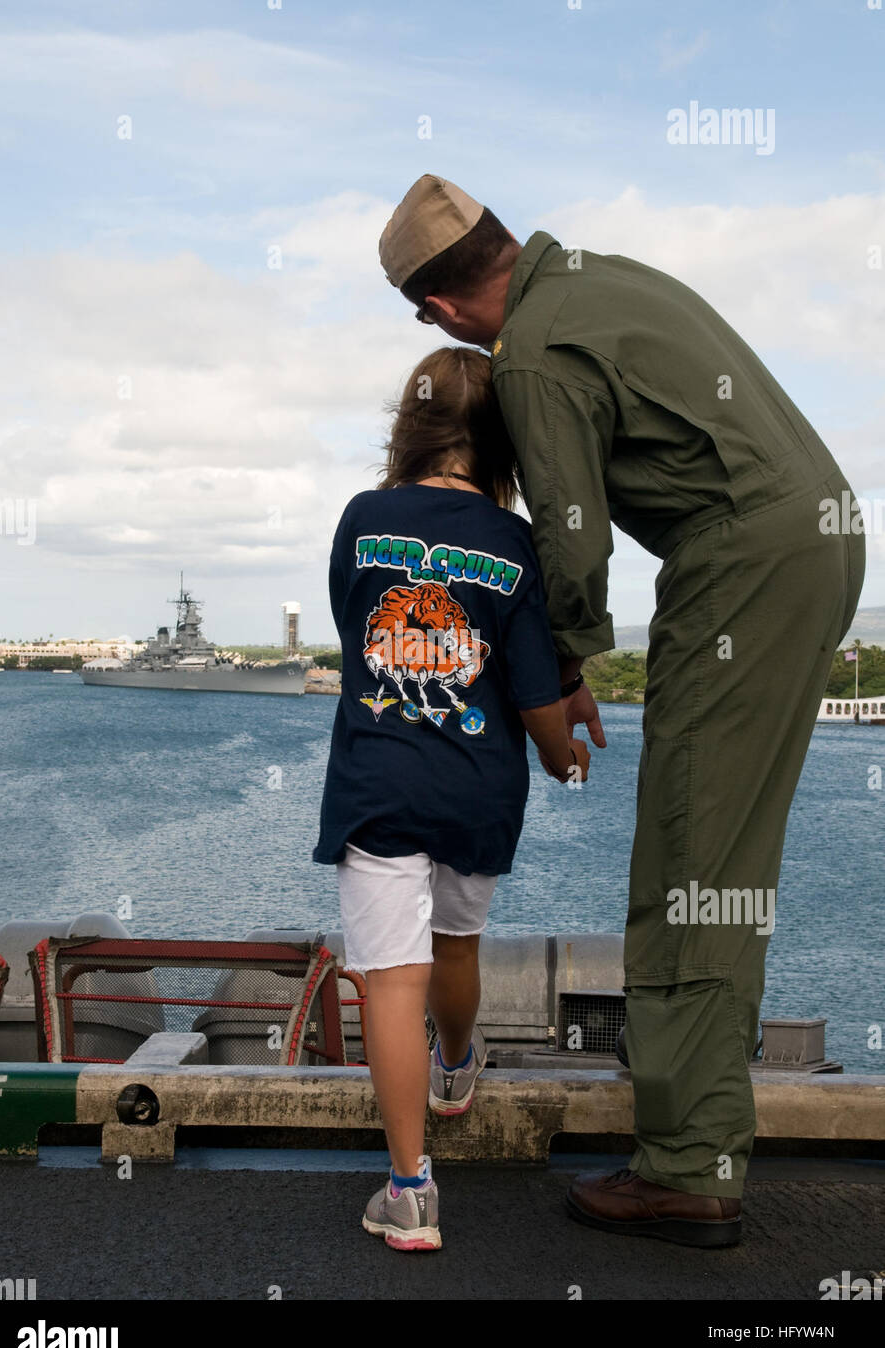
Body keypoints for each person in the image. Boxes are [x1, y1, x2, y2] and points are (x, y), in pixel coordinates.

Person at [378, 174, 865, 1248]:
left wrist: (556, 676)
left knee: (694, 864)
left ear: (439, 309)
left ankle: (690, 1168)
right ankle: (700, 1140)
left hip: (744, 564)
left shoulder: (534, 357)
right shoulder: (600, 282)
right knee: (724, 856)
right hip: (799, 543)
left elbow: (570, 535)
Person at [313, 346, 589, 1251]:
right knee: (456, 943)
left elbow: (357, 635)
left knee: (392, 981)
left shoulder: (361, 519)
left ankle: (409, 1192)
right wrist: (559, 756)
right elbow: (534, 690)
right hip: (478, 788)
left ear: (409, 426)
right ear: (502, 444)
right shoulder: (512, 543)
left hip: (379, 779)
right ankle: (460, 1065)